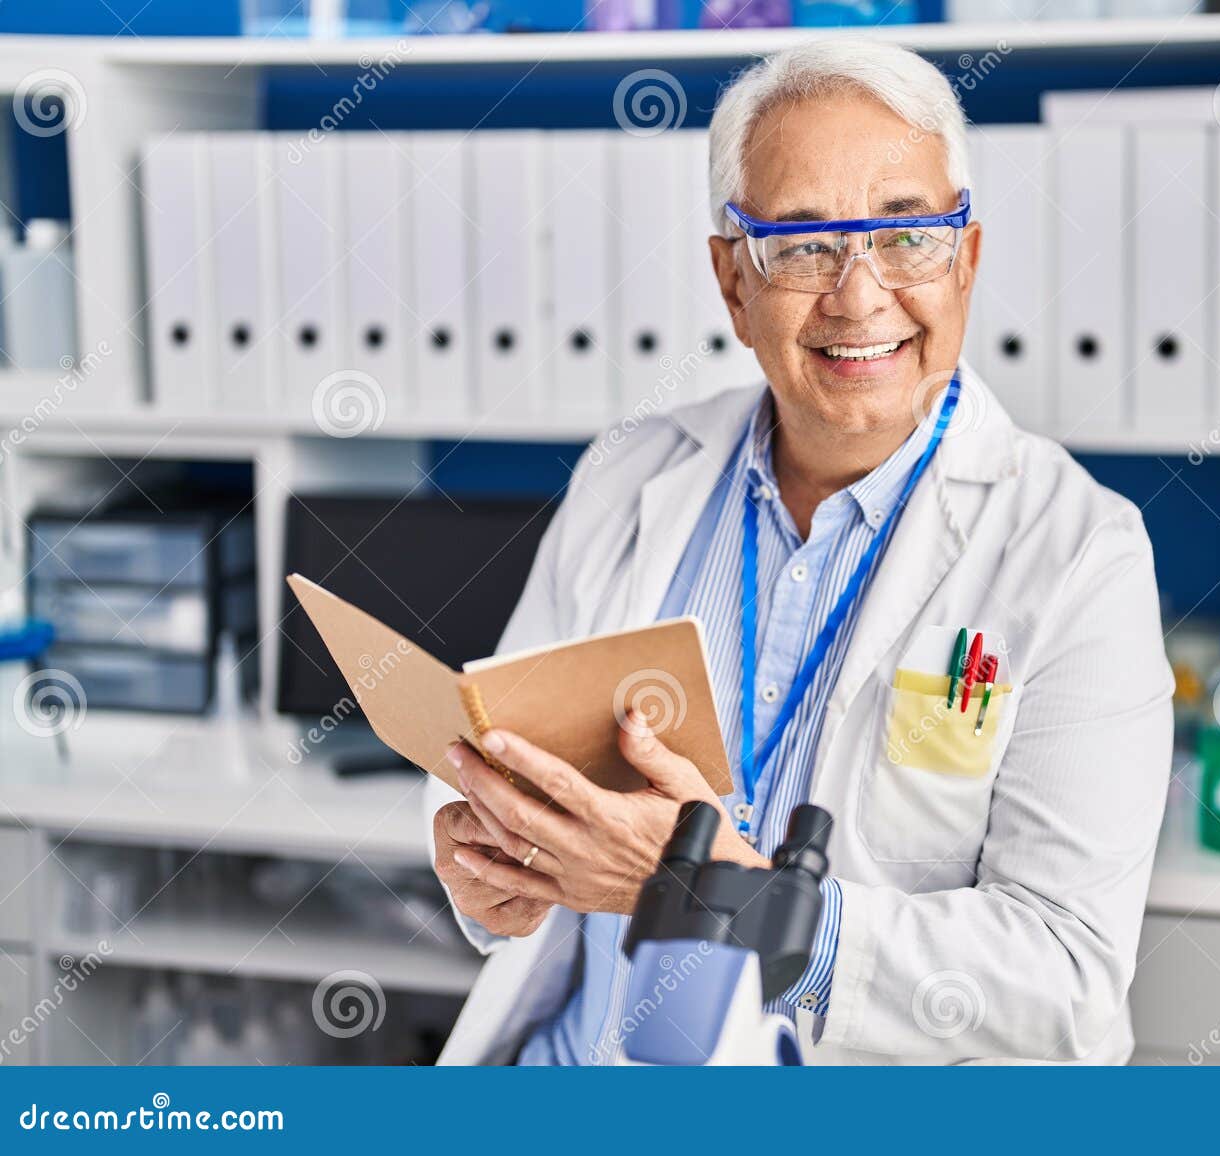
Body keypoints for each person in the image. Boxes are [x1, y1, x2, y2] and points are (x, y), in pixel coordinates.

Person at [425, 37, 1173, 1065]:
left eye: (908, 237)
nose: (859, 296)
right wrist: (488, 877)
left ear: (966, 258)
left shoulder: (1080, 553)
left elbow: (1066, 991)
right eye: (804, 244)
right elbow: (495, 754)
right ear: (733, 280)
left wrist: (742, 903)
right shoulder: (628, 475)